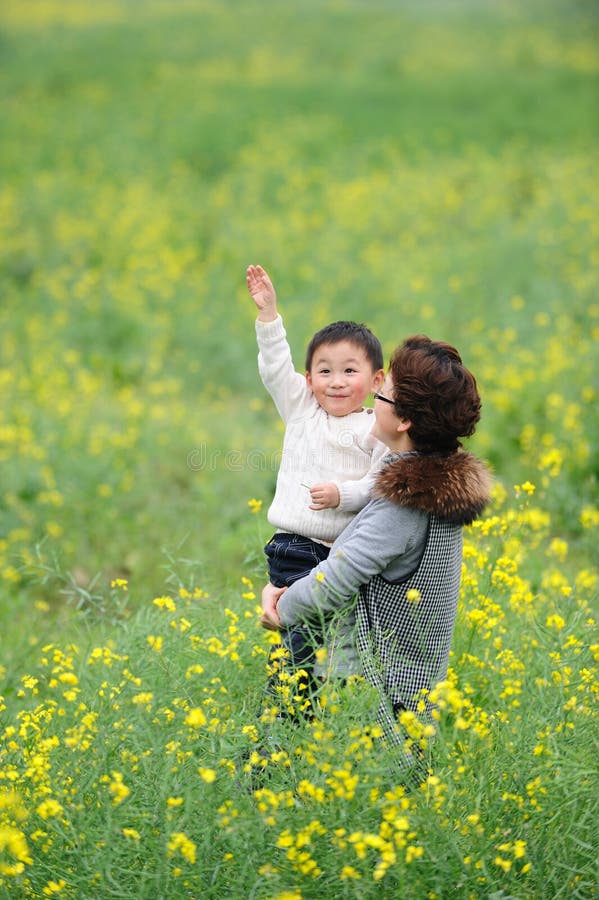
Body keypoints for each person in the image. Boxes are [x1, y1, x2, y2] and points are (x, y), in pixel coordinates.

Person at [261, 334, 492, 770]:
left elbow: (338, 581)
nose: (375, 394)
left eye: (384, 392)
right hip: (394, 685)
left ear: (403, 420)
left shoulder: (403, 508)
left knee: (378, 798)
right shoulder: (418, 481)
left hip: (388, 696)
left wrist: (280, 604)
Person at [246, 264, 386, 699]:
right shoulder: (302, 410)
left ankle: (324, 715)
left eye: (349, 371)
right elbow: (274, 367)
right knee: (299, 648)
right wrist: (269, 315)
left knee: (342, 652)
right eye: (324, 371)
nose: (336, 382)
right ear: (308, 380)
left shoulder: (375, 429)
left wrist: (343, 494)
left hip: (347, 554)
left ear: (376, 380)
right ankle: (286, 712)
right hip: (297, 547)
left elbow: (380, 486)